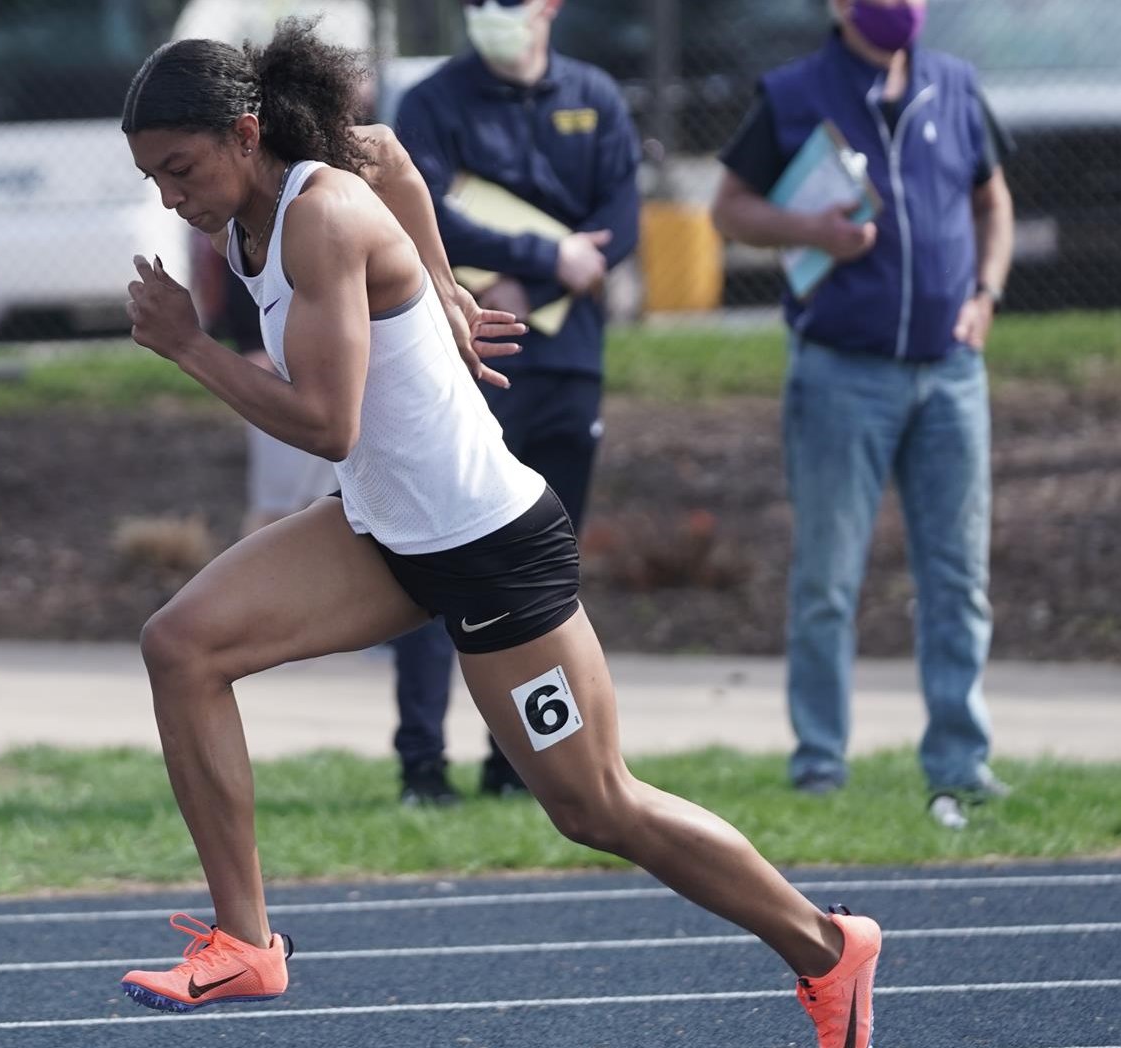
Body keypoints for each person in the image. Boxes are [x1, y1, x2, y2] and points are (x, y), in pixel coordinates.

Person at [114, 21, 879, 1048]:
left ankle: (827, 947)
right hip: (381, 530)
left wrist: (188, 346)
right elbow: (396, 159)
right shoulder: (292, 188)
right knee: (181, 644)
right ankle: (246, 942)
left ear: (246, 133)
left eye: (179, 167)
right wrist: (440, 285)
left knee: (594, 805)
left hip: (488, 546)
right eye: (151, 177)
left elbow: (324, 422)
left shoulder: (321, 215)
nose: (170, 196)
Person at [709, 0, 1016, 829]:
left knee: (958, 579)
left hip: (951, 374)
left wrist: (986, 293)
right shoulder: (795, 91)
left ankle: (962, 761)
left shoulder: (955, 86)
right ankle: (819, 764)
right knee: (827, 581)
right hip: (840, 374)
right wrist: (805, 228)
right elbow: (727, 208)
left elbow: (994, 202)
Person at [389, 0, 641, 805]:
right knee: (439, 564)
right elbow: (419, 212)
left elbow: (621, 221)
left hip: (568, 361)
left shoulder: (596, 95)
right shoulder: (431, 100)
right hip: (466, 365)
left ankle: (522, 765)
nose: (492, 12)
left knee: (544, 576)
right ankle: (421, 763)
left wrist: (551, 271)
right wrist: (543, 257)